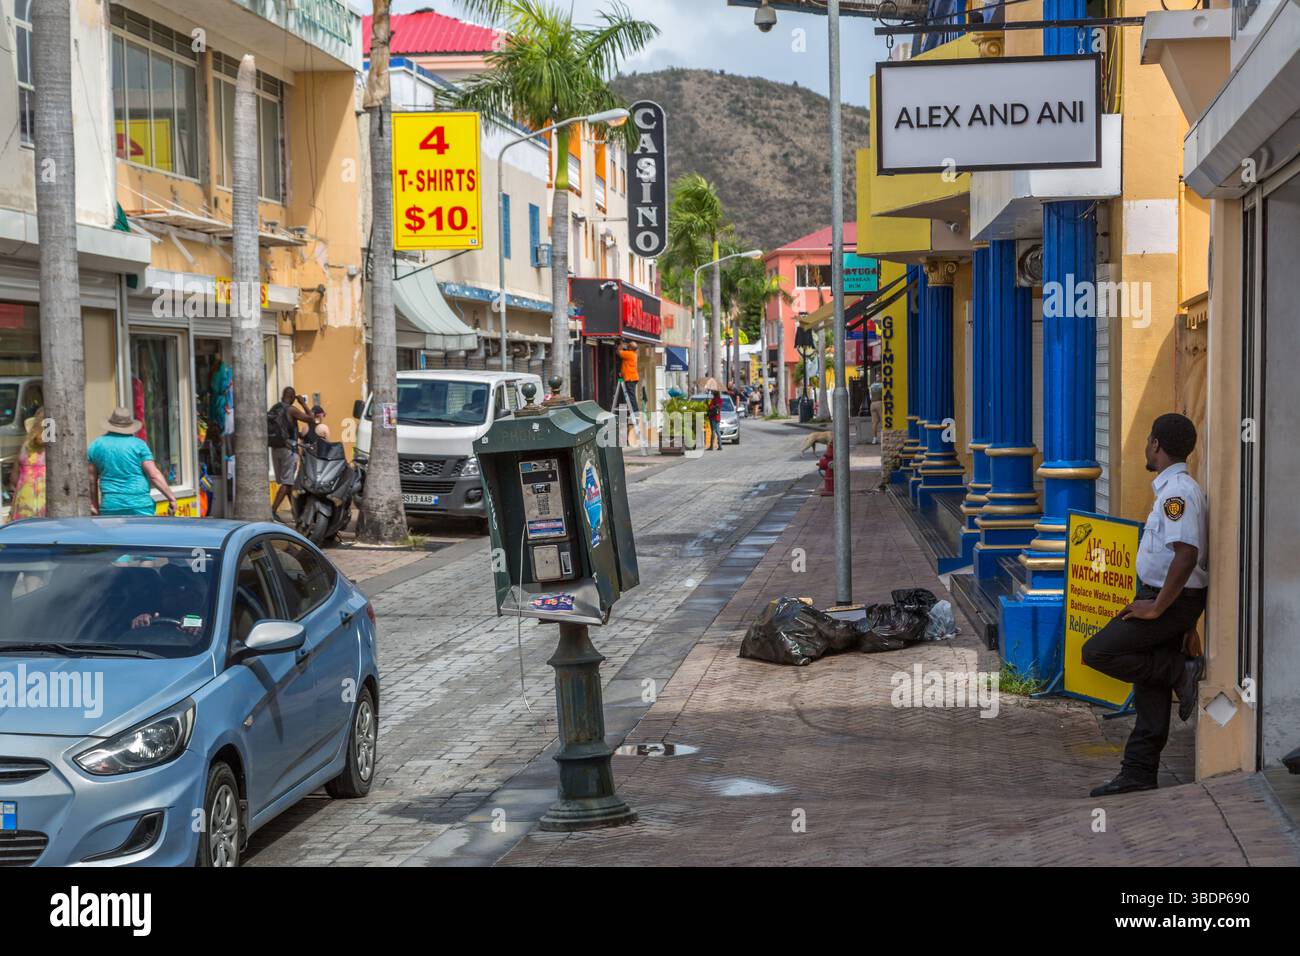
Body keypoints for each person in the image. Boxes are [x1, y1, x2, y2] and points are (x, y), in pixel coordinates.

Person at [1083, 413, 1207, 797]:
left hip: (1170, 600)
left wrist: (1156, 610)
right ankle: (1138, 772)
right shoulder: (1171, 489)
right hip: (1161, 595)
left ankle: (1179, 671)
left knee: (1097, 651)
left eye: (1147, 440)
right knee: (1148, 688)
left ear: (1156, 444)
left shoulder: (1177, 494)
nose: (1145, 446)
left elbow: (1186, 555)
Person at [88, 407, 177, 516]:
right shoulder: (139, 445)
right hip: (140, 506)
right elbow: (154, 475)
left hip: (111, 505)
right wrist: (171, 498)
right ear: (129, 426)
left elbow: (92, 480)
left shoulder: (96, 445)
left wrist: (94, 505)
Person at [268, 387, 313, 519]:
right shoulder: (291, 409)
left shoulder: (274, 408)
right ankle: (273, 510)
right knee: (287, 482)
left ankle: (296, 513)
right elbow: (311, 419)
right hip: (288, 449)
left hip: (275, 448)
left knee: (288, 483)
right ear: (292, 397)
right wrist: (302, 403)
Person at [6, 410, 46, 521]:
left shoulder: (26, 446)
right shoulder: (55, 448)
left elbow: (13, 480)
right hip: (46, 502)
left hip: (24, 500)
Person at [617, 339, 640, 412]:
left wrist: (621, 345)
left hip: (630, 378)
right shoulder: (633, 354)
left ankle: (635, 412)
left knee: (631, 396)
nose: (627, 346)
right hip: (632, 378)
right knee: (630, 395)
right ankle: (634, 412)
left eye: (628, 345)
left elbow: (618, 352)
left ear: (630, 348)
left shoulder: (629, 354)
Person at [869, 374, 884, 444]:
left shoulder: (872, 386)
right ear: (880, 377)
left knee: (874, 423)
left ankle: (874, 439)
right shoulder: (882, 385)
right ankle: (882, 438)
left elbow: (870, 396)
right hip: (879, 403)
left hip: (872, 404)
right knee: (883, 420)